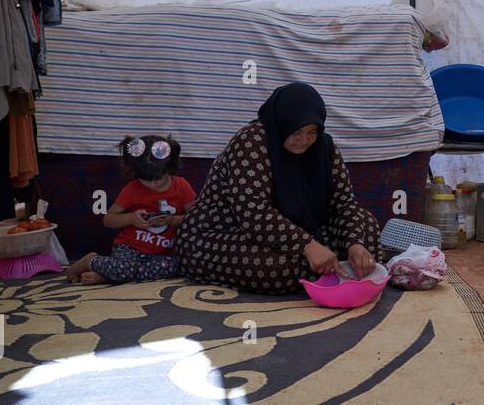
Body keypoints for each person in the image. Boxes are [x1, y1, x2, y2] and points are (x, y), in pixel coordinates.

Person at [175, 82, 381, 294]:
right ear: (282, 122)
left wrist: (355, 244)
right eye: (296, 131)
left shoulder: (324, 147)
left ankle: (333, 261)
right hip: (225, 233)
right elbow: (252, 211)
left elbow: (343, 203)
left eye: (312, 131)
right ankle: (331, 263)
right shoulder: (252, 141)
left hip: (296, 230)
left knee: (368, 230)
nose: (304, 140)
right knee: (278, 266)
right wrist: (308, 246)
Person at [67, 135, 196, 284]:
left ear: (170, 168)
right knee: (125, 268)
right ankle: (90, 261)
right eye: (146, 181)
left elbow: (197, 217)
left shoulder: (181, 186)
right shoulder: (132, 189)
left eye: (158, 180)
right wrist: (130, 218)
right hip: (130, 248)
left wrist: (173, 220)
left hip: (163, 253)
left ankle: (107, 275)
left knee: (177, 266)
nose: (153, 185)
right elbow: (108, 220)